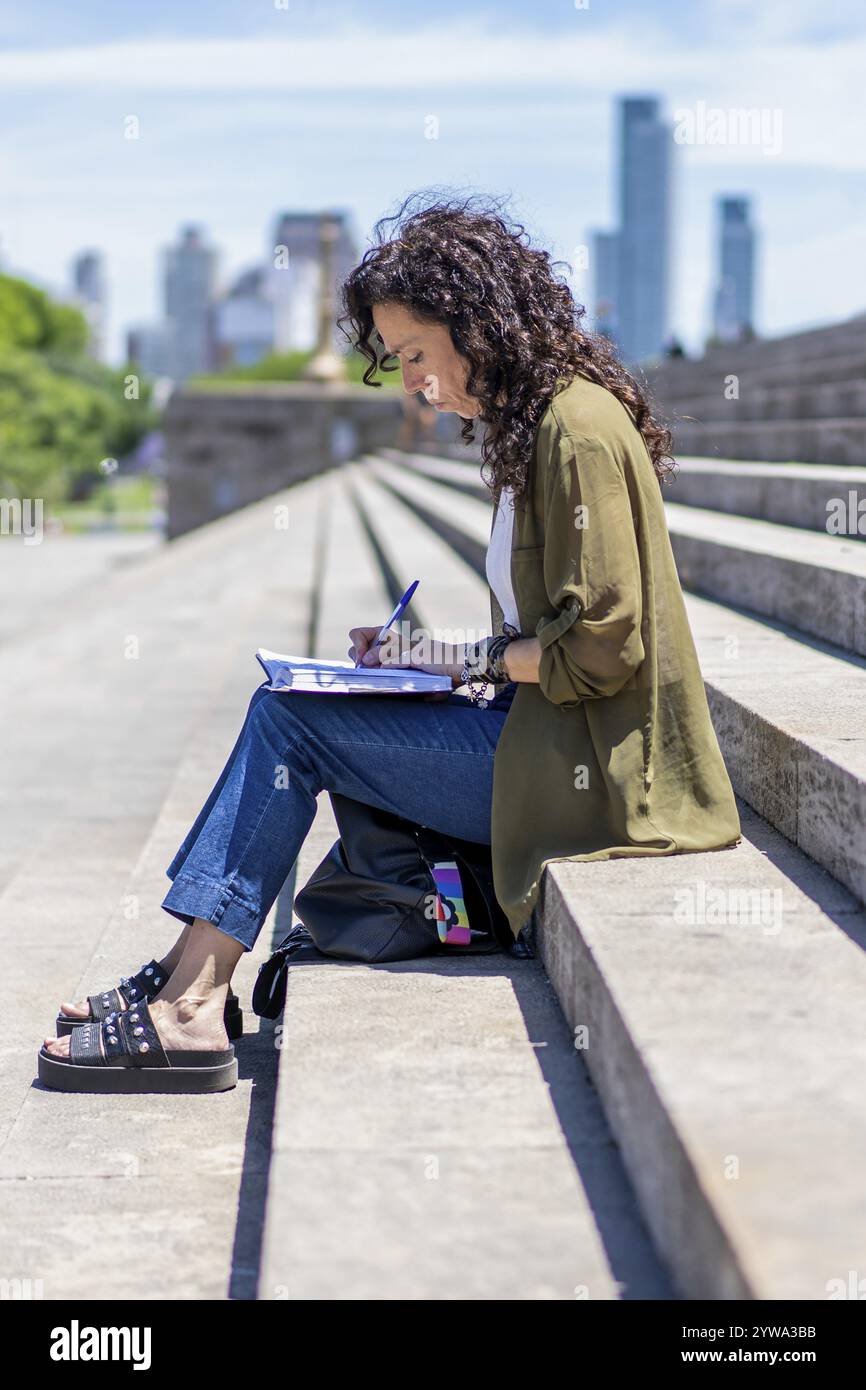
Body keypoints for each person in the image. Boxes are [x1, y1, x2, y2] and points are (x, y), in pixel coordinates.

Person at [38, 191, 741, 1093]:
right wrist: (428, 661)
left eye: (415, 354)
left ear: (479, 323)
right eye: (398, 360)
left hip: (595, 774)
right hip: (548, 736)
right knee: (298, 707)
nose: (413, 382)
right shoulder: (535, 429)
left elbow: (604, 650)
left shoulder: (577, 430)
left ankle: (189, 1003)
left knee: (290, 721)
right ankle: (189, 971)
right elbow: (547, 642)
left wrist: (469, 664)